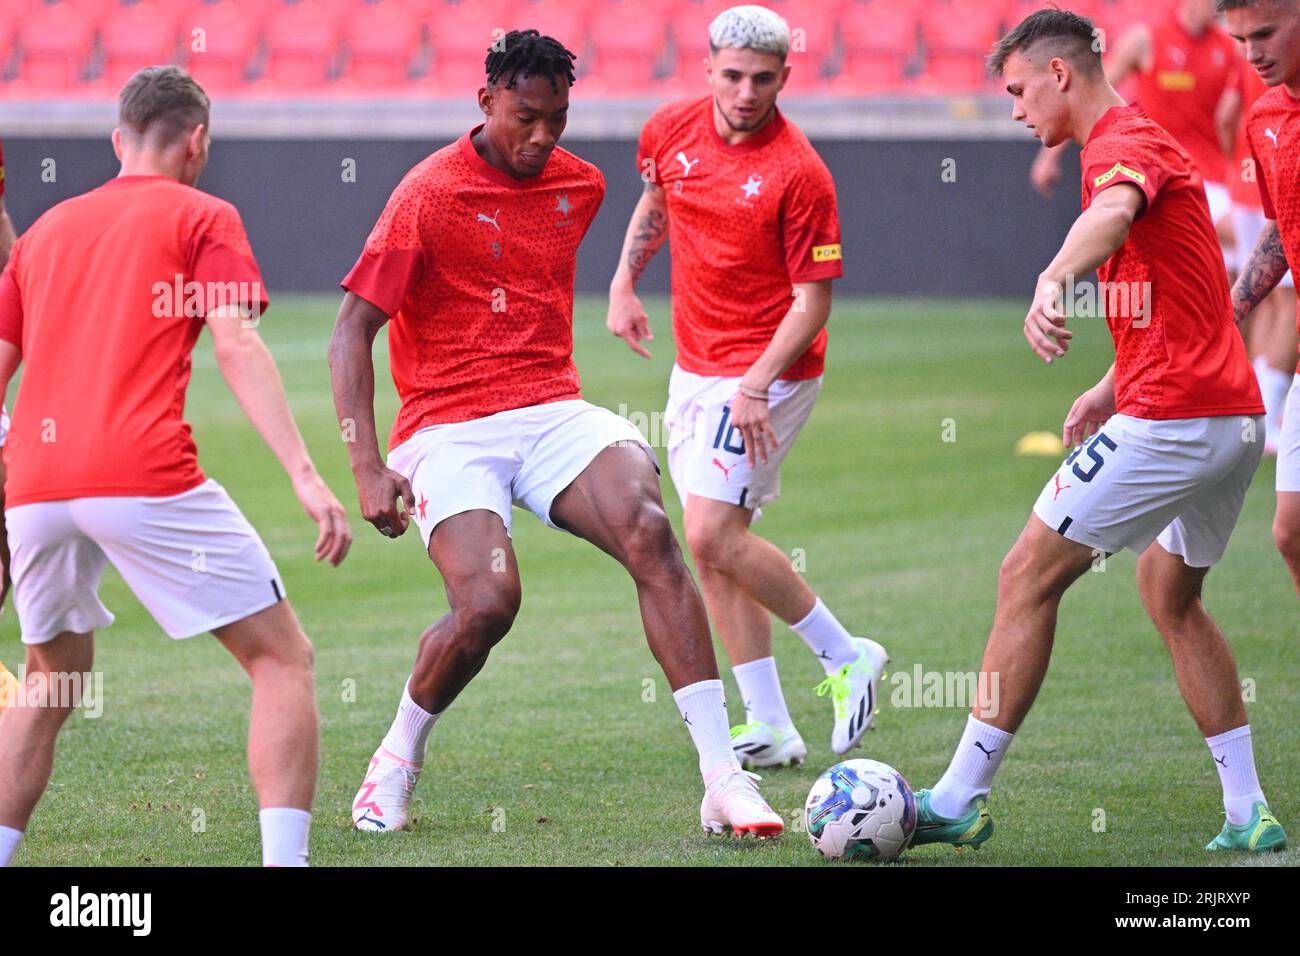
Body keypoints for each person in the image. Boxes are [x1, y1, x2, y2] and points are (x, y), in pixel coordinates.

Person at [330, 30, 783, 838]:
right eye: (525, 118)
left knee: (651, 531)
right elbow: (350, 330)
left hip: (551, 409)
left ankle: (723, 779)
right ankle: (395, 760)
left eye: (558, 119)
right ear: (487, 102)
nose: (543, 137)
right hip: (448, 424)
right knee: (489, 602)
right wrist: (366, 465)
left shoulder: (584, 185)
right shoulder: (426, 194)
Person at [913, 9, 1286, 854]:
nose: (1013, 111)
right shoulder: (1140, 142)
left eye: (1016, 91)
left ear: (1058, 75)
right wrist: (1110, 386)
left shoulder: (1124, 146)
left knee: (1025, 575)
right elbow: (1172, 296)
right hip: (1228, 418)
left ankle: (959, 795)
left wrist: (1052, 278)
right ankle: (1247, 812)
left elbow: (1115, 214)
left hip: (1179, 422)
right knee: (1171, 595)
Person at [0, 67, 352, 868]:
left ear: (117, 140)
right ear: (197, 142)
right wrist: (303, 473)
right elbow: (235, 342)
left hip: (36, 485)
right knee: (280, 656)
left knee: (52, 676)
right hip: (140, 474)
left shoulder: (45, 230)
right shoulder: (205, 214)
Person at [607, 3, 885, 771]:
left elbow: (814, 301)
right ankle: (769, 723)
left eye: (763, 78)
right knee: (715, 547)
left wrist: (756, 384)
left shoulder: (800, 172)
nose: (746, 91)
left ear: (785, 76)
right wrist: (624, 281)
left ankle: (846, 655)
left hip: (773, 370)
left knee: (708, 534)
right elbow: (660, 199)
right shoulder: (668, 130)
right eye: (732, 75)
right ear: (708, 70)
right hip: (695, 368)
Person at [1031, 0, 1243, 256]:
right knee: (1244, 239)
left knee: (1237, 278)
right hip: (1169, 170)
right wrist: (1048, 157)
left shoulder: (1230, 47)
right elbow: (1089, 95)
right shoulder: (1146, 40)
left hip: (1219, 176)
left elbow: (1235, 113)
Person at [1222, 0, 1300, 597]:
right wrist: (1229, 311)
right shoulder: (1266, 117)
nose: (1254, 54)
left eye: (1266, 33)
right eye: (1241, 40)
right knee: (1290, 532)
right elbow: (1280, 228)